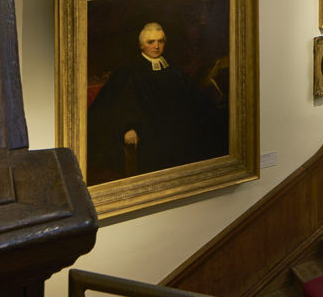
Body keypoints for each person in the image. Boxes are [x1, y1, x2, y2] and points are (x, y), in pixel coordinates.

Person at [86, 22, 227, 184]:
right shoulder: (129, 72)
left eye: (160, 41)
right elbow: (116, 104)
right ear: (141, 45)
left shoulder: (173, 70)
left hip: (176, 127)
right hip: (148, 131)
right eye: (151, 42)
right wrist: (126, 128)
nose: (156, 46)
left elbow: (193, 98)